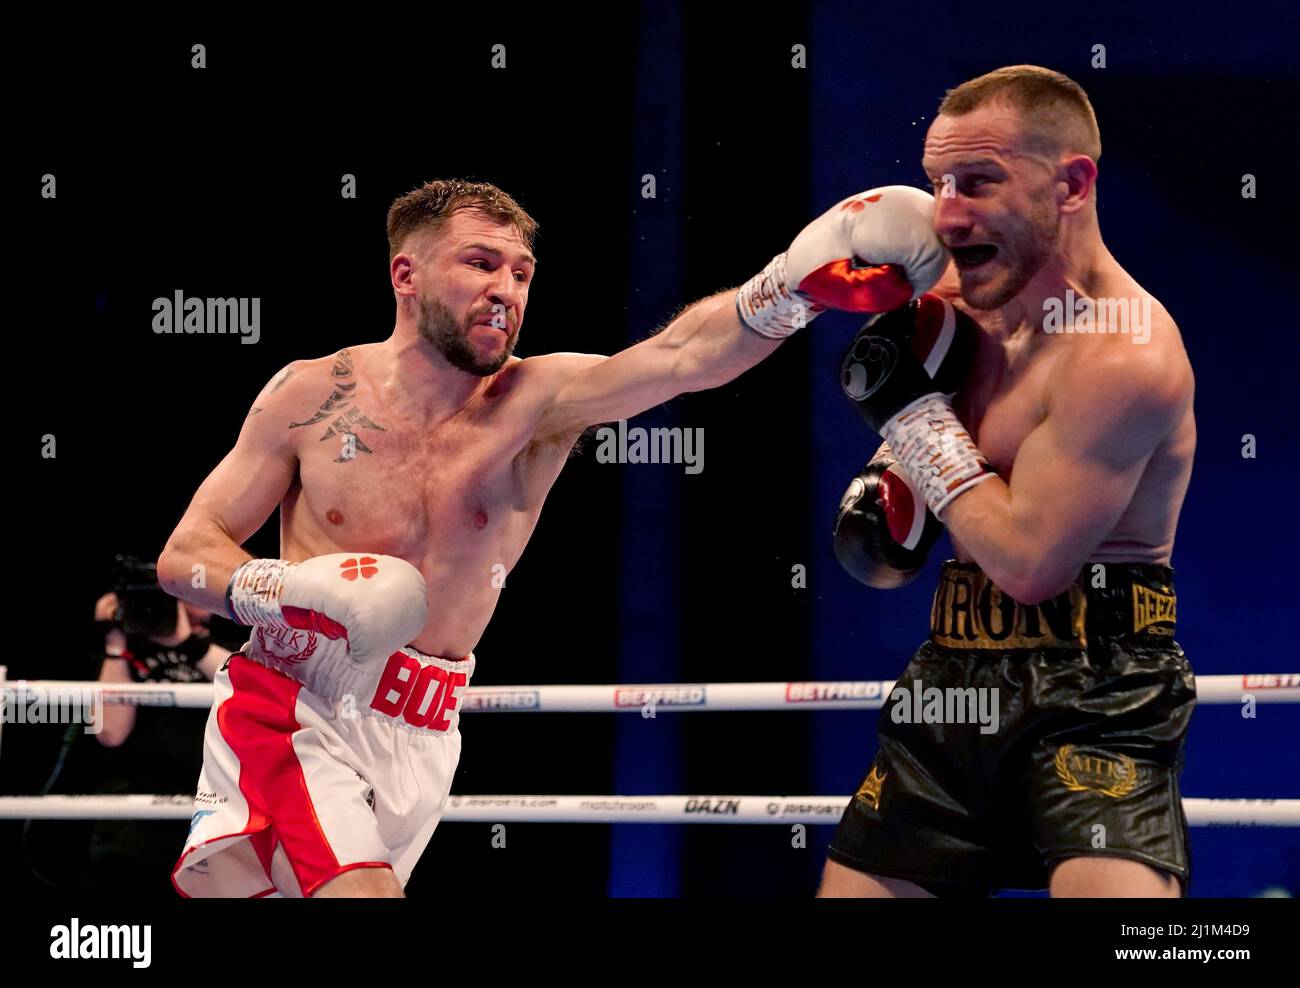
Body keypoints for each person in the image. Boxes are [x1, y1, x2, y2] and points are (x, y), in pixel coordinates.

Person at [161, 177, 950, 897]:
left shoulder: (537, 403)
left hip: (425, 733)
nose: (505, 290)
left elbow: (681, 358)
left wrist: (785, 286)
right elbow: (187, 553)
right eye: (479, 264)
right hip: (295, 705)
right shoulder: (309, 393)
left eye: (521, 273)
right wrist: (294, 589)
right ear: (405, 276)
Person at [823, 66, 1196, 898]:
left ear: (1071, 184)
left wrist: (911, 423)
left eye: (978, 183)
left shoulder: (1123, 351)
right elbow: (890, 551)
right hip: (951, 672)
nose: (946, 213)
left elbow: (1030, 564)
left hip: (1098, 682)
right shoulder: (954, 307)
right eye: (937, 184)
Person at [85, 555, 236, 895]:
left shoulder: (232, 644)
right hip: (130, 819)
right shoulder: (121, 650)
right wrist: (115, 642)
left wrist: (185, 642)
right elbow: (110, 733)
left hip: (210, 817)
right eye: (174, 595)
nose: (184, 604)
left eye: (193, 593)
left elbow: (244, 687)